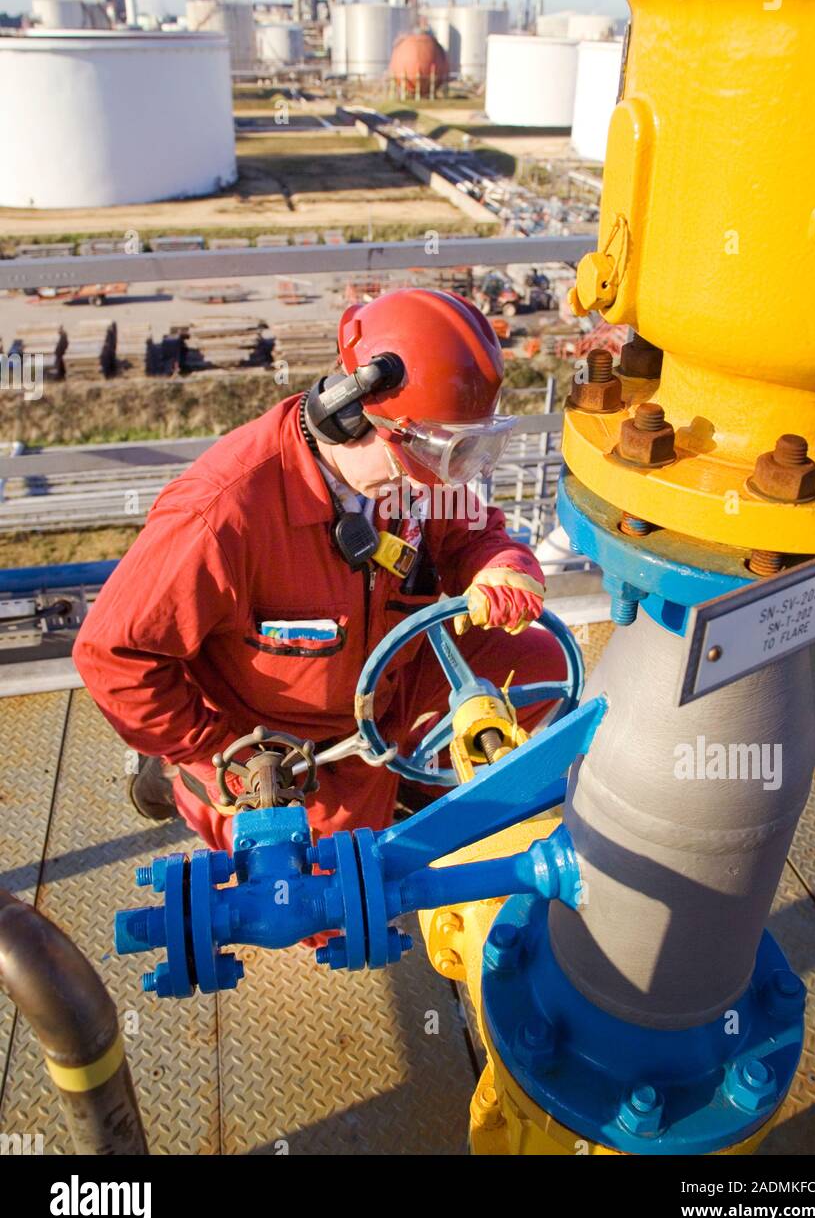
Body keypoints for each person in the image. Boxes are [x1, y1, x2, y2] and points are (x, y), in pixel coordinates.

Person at [73, 289, 565, 857]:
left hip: (391, 691)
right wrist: (214, 754)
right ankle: (178, 783)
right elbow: (114, 653)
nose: (433, 485)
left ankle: (403, 780)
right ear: (346, 412)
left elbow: (476, 535)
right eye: (424, 462)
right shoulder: (221, 514)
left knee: (538, 662)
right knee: (329, 908)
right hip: (284, 746)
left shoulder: (410, 477)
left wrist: (504, 566)